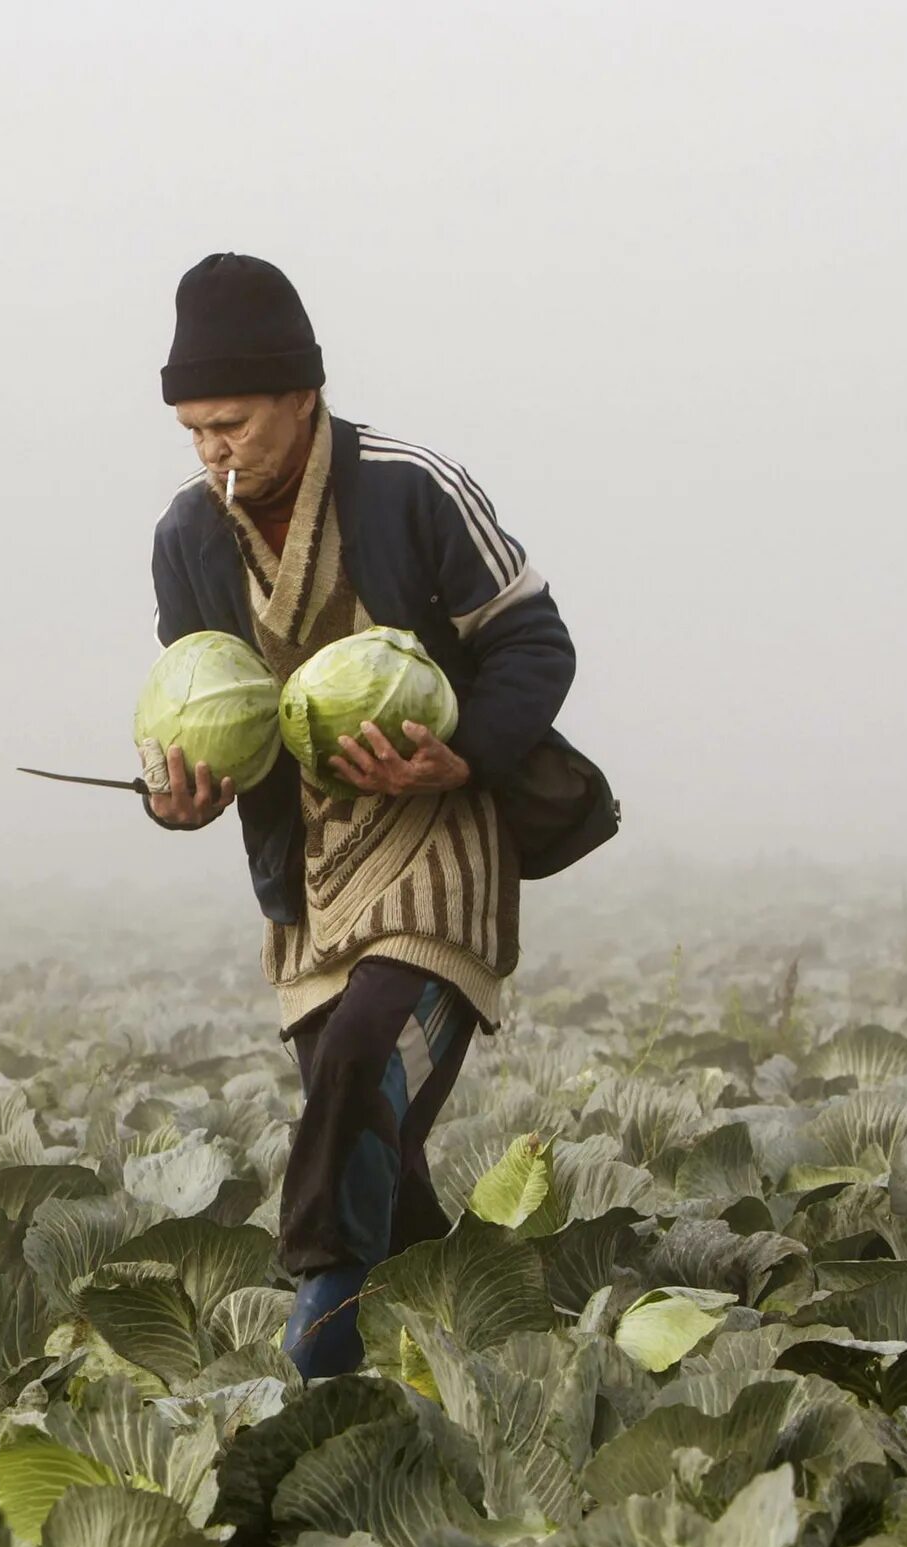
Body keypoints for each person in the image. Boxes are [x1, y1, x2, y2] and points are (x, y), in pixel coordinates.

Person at [139, 251, 583, 1378]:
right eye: (194, 430)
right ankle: (481, 1361)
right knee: (383, 1152)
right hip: (311, 875)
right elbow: (209, 710)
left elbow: (535, 642)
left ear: (304, 394)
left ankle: (318, 1354)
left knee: (362, 1058)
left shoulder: (412, 487)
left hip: (445, 840)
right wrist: (180, 797)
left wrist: (461, 753)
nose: (213, 450)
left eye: (231, 421)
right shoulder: (188, 538)